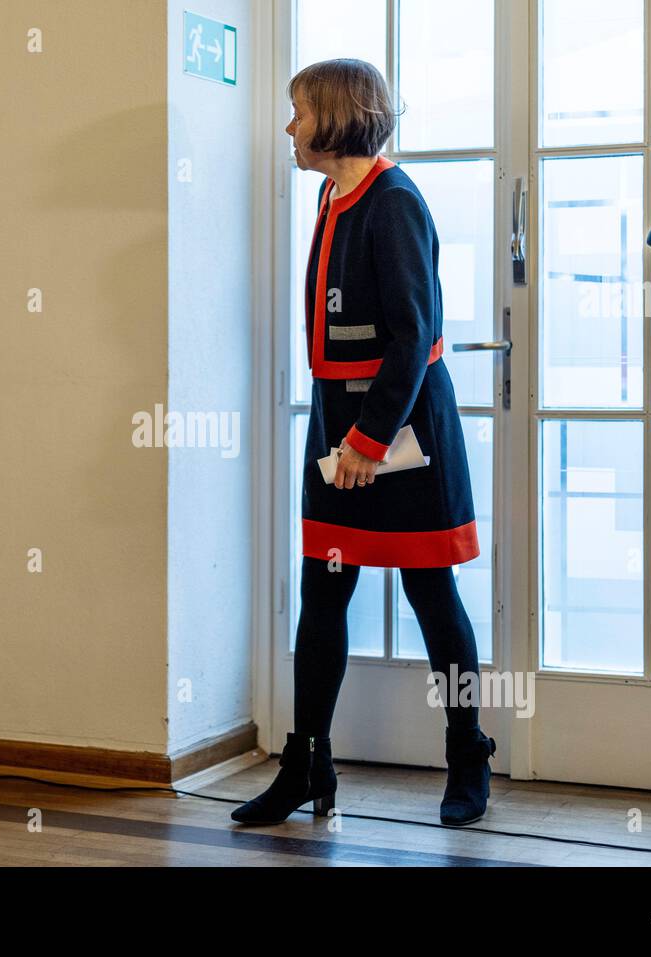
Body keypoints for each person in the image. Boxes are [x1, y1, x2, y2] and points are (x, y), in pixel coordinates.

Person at [232, 58, 495, 828]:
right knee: (323, 592)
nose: (288, 127)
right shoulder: (330, 193)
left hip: (402, 427)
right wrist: (340, 437)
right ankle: (307, 764)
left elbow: (414, 338)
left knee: (431, 594)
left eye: (298, 112)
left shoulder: (395, 202)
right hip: (335, 423)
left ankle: (467, 752)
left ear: (336, 118)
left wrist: (368, 440)